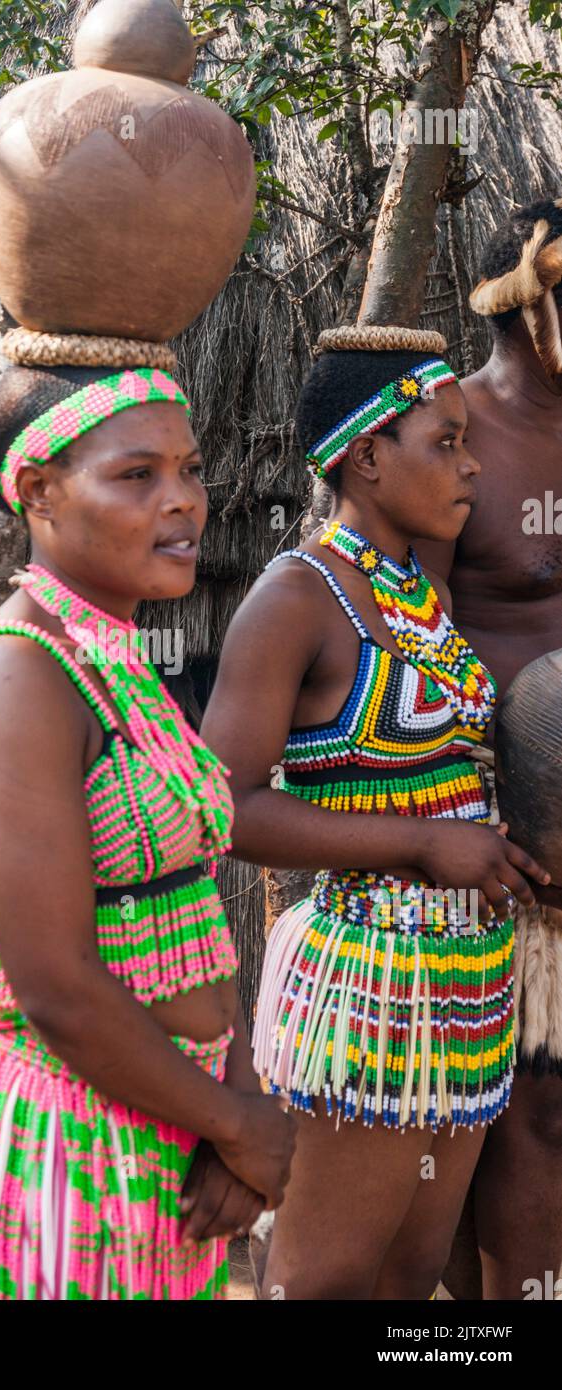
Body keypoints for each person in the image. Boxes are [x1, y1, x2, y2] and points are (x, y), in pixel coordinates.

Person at [0, 354, 295, 1300]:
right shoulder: (13, 678)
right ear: (38, 492)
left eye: (190, 470)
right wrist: (238, 1126)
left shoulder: (117, 667)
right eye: (137, 475)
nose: (182, 501)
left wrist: (233, 1105)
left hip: (159, 1128)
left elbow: (187, 921)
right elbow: (56, 986)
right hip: (50, 1147)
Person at [200, 326, 551, 1300]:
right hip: (370, 984)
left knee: (405, 1278)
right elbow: (219, 807)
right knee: (323, 1284)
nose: (471, 462)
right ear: (364, 456)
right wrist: (421, 841)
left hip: (468, 978)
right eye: (442, 441)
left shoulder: (421, 594)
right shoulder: (296, 600)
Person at [416, 200, 562, 1300]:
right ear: (527, 300)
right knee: (525, 1102)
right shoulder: (444, 440)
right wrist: (464, 827)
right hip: (493, 852)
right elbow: (397, 647)